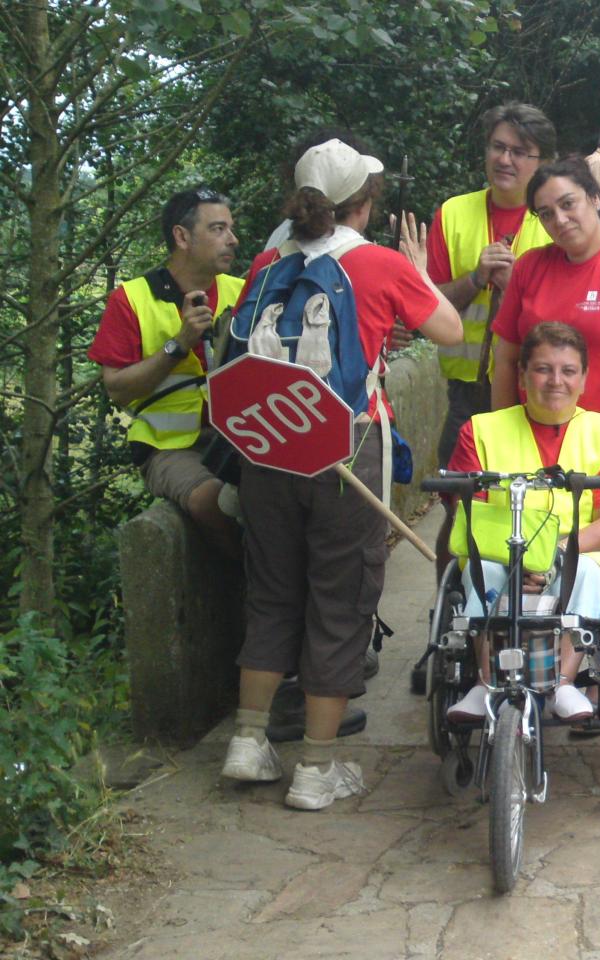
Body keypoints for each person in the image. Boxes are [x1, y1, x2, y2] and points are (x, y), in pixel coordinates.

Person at [219, 138, 462, 810]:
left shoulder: (266, 261)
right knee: (341, 597)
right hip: (347, 449)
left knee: (272, 590)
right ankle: (316, 769)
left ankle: (248, 740)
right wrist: (418, 273)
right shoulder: (379, 263)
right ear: (365, 202)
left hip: (266, 444)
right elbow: (448, 330)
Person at [441, 322, 600, 722]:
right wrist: (520, 560)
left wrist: (555, 555)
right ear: (521, 376)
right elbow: (467, 514)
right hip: (499, 549)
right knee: (483, 570)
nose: (556, 381)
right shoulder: (481, 431)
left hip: (584, 551)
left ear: (584, 379)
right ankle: (485, 683)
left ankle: (562, 684)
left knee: (583, 571)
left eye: (568, 370)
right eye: (543, 369)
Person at [423, 102, 558, 576]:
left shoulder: (555, 218)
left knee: (532, 510)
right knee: (458, 510)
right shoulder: (452, 214)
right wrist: (475, 278)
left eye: (521, 152)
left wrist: (519, 286)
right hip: (467, 396)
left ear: (542, 162)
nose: (505, 159)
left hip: (535, 396)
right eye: (498, 147)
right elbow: (427, 305)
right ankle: (452, 605)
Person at [89, 186, 245, 559]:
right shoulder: (131, 299)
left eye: (230, 228)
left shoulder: (243, 292)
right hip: (169, 446)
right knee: (212, 501)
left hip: (239, 436)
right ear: (182, 237)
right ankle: (246, 579)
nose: (233, 240)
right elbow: (117, 389)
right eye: (218, 229)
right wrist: (178, 344)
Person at [488, 156, 600, 451]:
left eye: (568, 204)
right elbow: (506, 361)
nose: (559, 219)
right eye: (546, 214)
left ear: (595, 199)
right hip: (532, 441)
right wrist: (503, 440)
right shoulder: (529, 267)